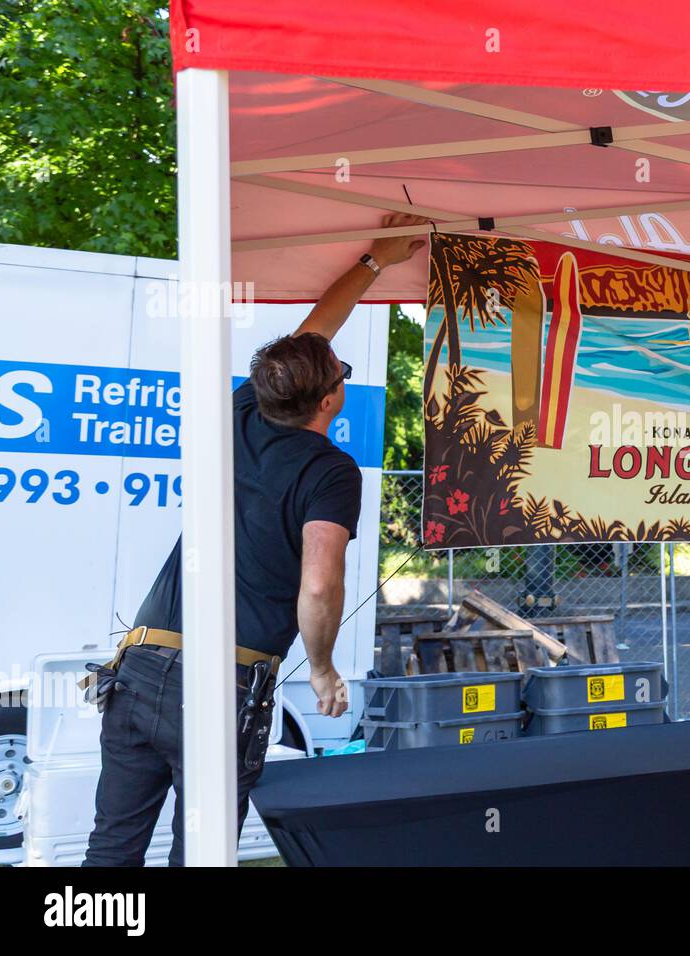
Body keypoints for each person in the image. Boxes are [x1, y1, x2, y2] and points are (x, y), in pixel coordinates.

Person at [82, 213, 430, 866]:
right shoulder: (328, 470)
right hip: (219, 686)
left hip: (142, 666)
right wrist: (323, 667)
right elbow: (321, 583)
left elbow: (310, 336)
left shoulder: (246, 411)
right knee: (204, 855)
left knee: (110, 853)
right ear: (330, 400)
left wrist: (375, 262)